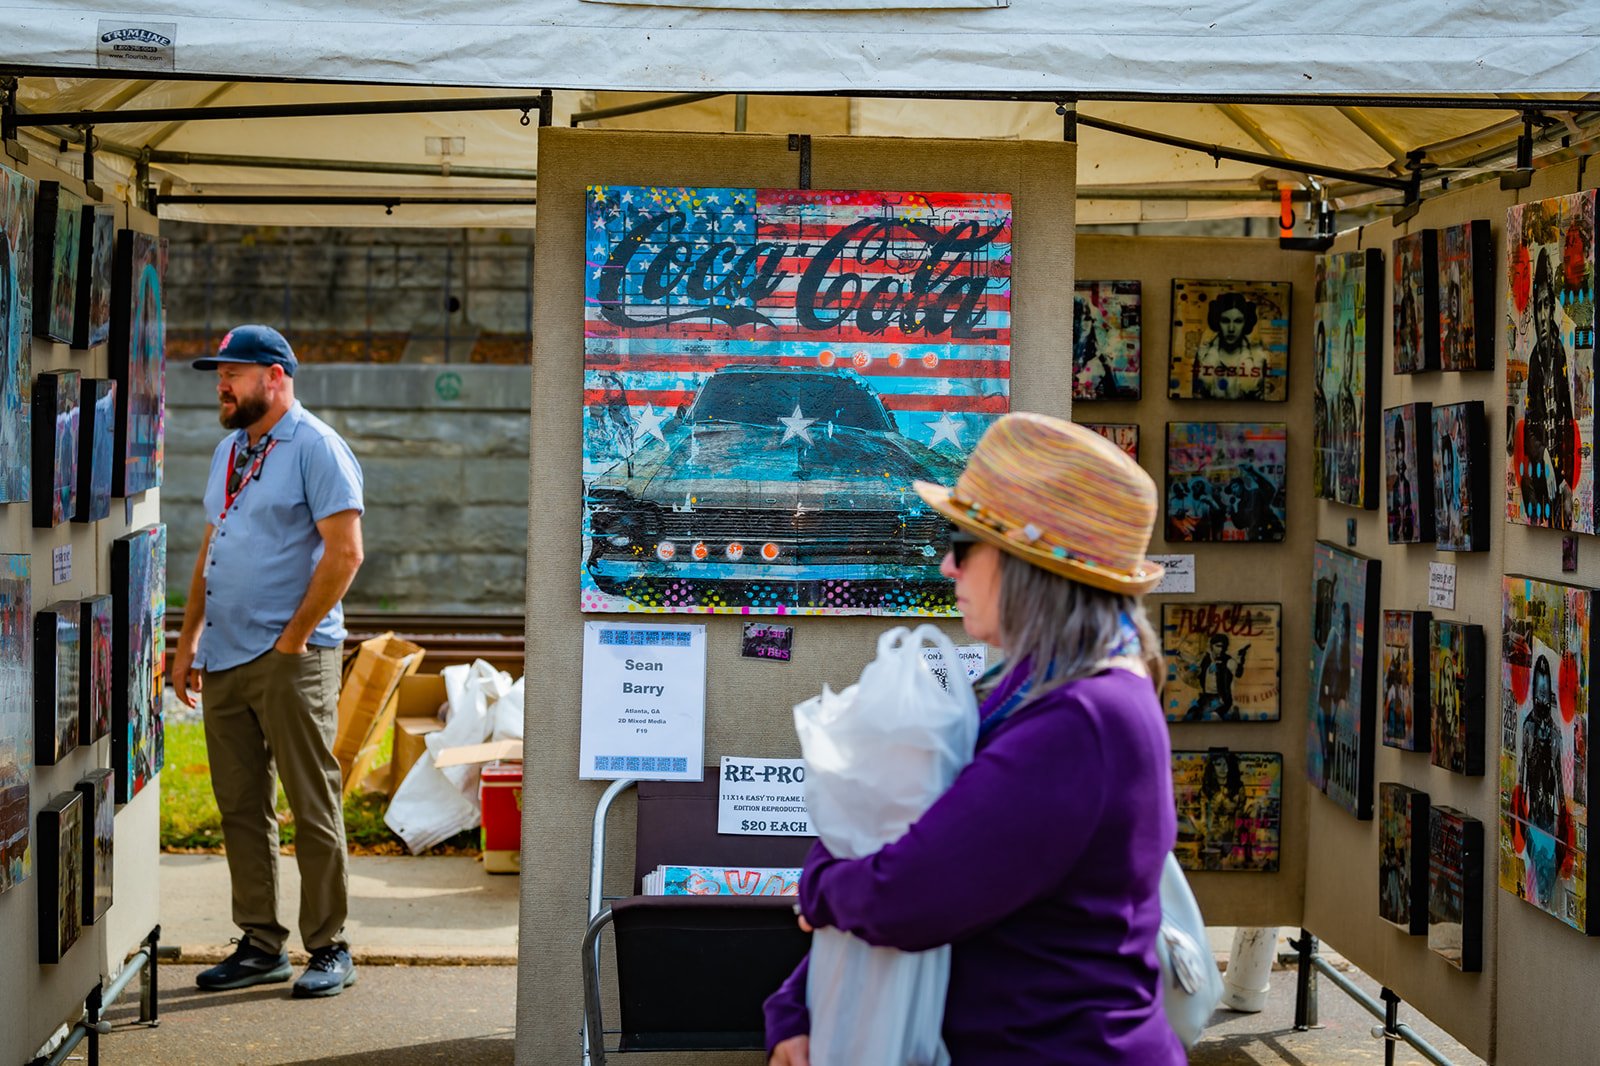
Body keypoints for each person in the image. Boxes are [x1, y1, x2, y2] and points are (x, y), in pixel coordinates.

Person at [765, 413, 1183, 1065]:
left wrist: (819, 882)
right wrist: (800, 1002)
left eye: (960, 542)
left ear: (1027, 566)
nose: (945, 565)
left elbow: (911, 895)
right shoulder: (1049, 690)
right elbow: (933, 859)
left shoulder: (1082, 718)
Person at [170, 325, 366, 998]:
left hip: (292, 656)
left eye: (235, 372)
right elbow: (210, 549)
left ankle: (329, 946)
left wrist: (292, 641)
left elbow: (346, 554)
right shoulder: (230, 449)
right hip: (224, 654)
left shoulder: (316, 448)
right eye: (218, 372)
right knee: (240, 805)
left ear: (275, 376)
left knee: (312, 802)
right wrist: (188, 640)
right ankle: (259, 942)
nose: (221, 384)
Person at [1522, 247, 1575, 527]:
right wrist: (1542, 453)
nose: (1542, 316)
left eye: (1546, 305)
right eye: (1537, 306)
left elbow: (1567, 417)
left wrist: (1565, 476)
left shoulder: (1560, 353)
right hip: (1542, 476)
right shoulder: (1533, 360)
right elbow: (1529, 425)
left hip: (1562, 474)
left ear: (1552, 307)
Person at [1191, 291, 1270, 399]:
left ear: (1245, 322)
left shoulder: (1258, 358)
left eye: (1238, 321)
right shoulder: (1202, 355)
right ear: (1217, 321)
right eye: (1225, 321)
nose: (1231, 329)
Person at [1185, 633, 1250, 721]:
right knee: (1189, 716)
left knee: (1212, 718)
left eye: (1224, 647)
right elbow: (1192, 671)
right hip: (1205, 698)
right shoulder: (1204, 660)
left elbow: (1238, 673)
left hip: (1221, 699)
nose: (1221, 649)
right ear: (1211, 646)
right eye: (1218, 646)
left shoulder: (1228, 661)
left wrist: (1240, 661)